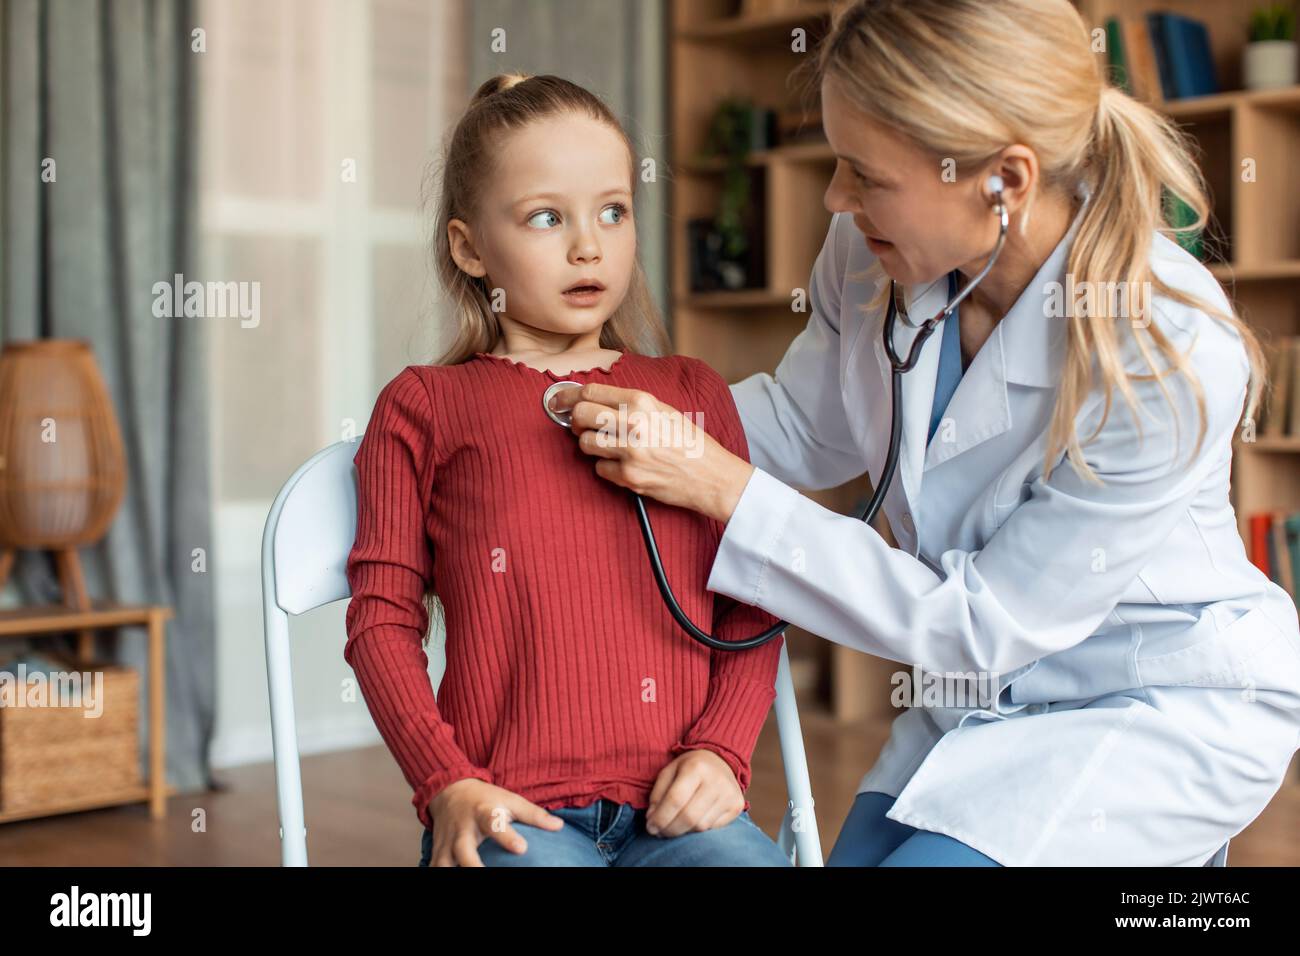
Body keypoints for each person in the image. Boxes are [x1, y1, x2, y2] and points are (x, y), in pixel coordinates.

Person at [554, 0, 1300, 866]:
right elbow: (807, 422)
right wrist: (631, 416)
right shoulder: (869, 249)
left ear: (1004, 181)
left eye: (866, 175)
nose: (837, 198)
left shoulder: (1164, 347)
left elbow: (984, 621)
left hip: (1148, 705)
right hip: (973, 697)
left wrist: (721, 489)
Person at [344, 72, 791, 867]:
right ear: (469, 248)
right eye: (547, 217)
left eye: (612, 211)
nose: (589, 245)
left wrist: (722, 751)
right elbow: (382, 621)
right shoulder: (425, 407)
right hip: (513, 811)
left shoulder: (692, 392)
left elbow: (753, 601)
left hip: (680, 811)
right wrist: (447, 783)